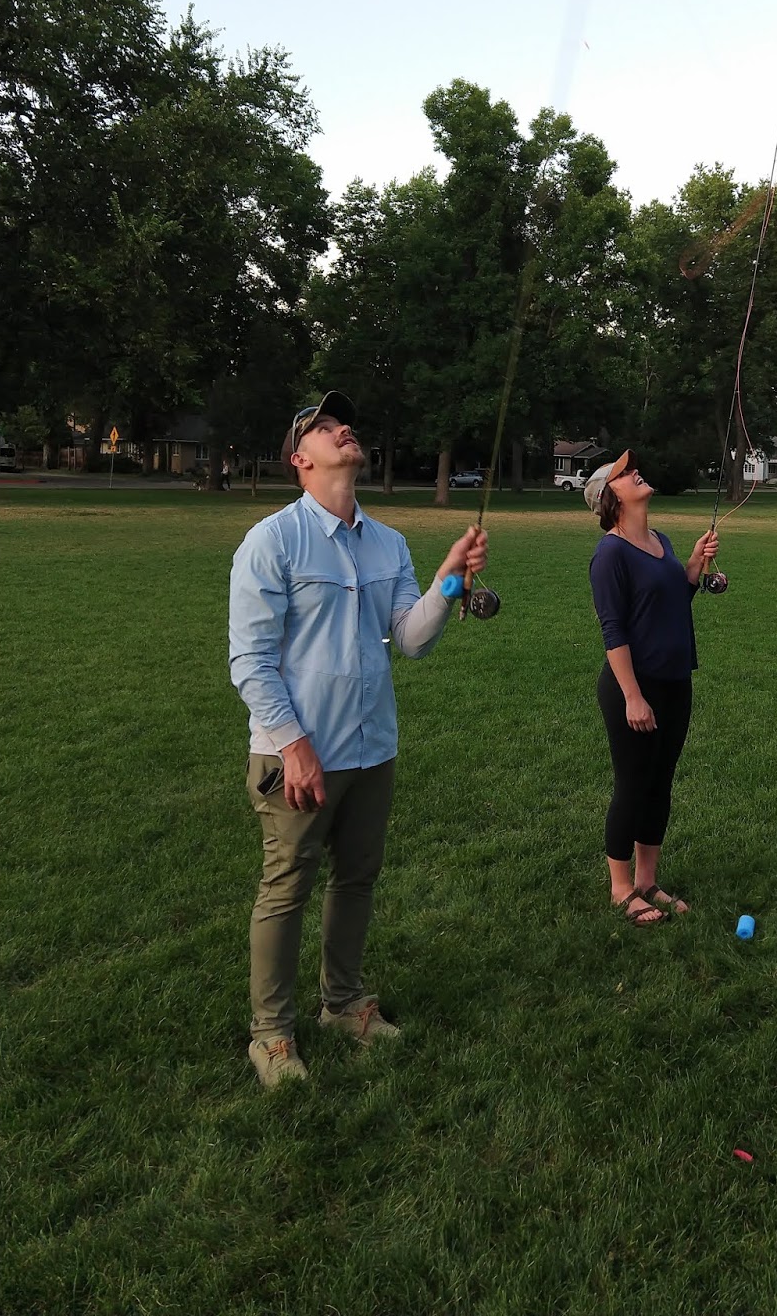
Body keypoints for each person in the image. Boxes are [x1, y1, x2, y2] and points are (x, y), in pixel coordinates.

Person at [229, 390, 487, 1088]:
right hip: (298, 753)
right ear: (301, 460)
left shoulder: (389, 543)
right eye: (321, 426)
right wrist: (292, 744)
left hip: (373, 747)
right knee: (286, 888)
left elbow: (410, 640)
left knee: (357, 879)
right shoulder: (273, 540)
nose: (342, 428)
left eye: (343, 422)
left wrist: (450, 580)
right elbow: (249, 660)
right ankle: (272, 1035)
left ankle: (342, 1005)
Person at [586, 450, 718, 927]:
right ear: (609, 498)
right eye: (622, 474)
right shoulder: (610, 553)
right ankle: (621, 888)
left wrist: (694, 565)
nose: (632, 472)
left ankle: (647, 880)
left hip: (675, 681)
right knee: (633, 784)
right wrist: (632, 696)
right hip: (633, 688)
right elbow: (613, 630)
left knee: (660, 783)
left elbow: (674, 600)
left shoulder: (659, 541)